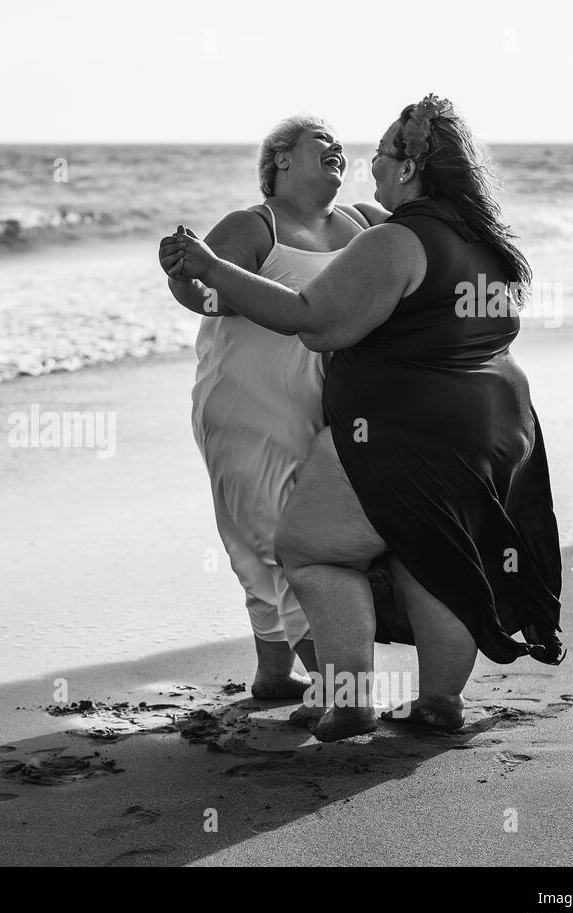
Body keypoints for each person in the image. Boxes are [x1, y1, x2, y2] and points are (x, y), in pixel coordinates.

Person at [160, 95, 564, 742]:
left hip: (409, 433)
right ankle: (438, 702)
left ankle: (346, 698)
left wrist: (211, 267)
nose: (365, 160)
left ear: (408, 171)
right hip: (495, 426)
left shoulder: (393, 237)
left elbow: (313, 323)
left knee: (310, 551)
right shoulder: (481, 237)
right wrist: (200, 272)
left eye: (378, 152)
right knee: (429, 555)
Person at [168, 116, 389, 699]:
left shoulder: (363, 222)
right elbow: (203, 292)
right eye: (322, 141)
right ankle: (335, 684)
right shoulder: (254, 224)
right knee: (273, 538)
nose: (338, 148)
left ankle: (273, 673)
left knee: (291, 535)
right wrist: (179, 271)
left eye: (340, 143)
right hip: (247, 404)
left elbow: (426, 248)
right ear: (281, 159)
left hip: (327, 407)